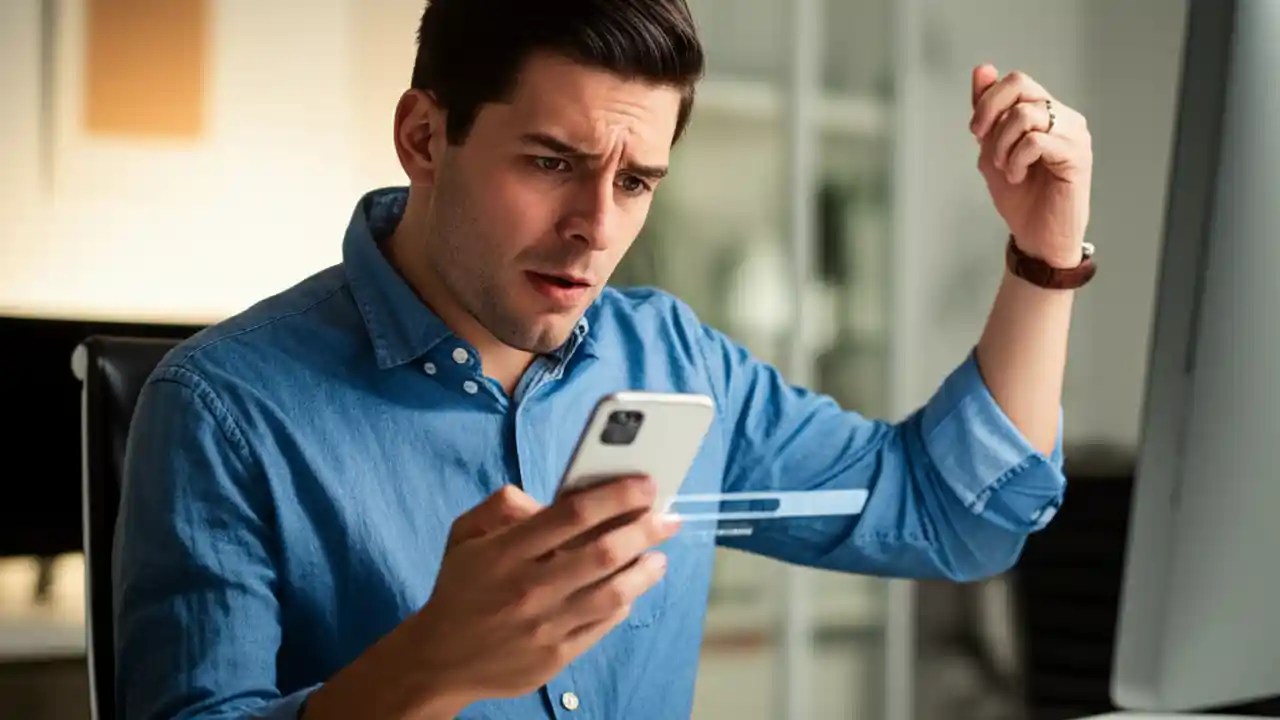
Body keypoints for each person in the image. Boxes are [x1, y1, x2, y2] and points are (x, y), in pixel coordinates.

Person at [112, 0, 1095, 717]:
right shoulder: (220, 407)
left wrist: (1044, 258)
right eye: (552, 163)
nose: (594, 227)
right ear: (423, 136)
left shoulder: (672, 359)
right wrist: (430, 666)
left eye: (635, 181)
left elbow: (955, 518)